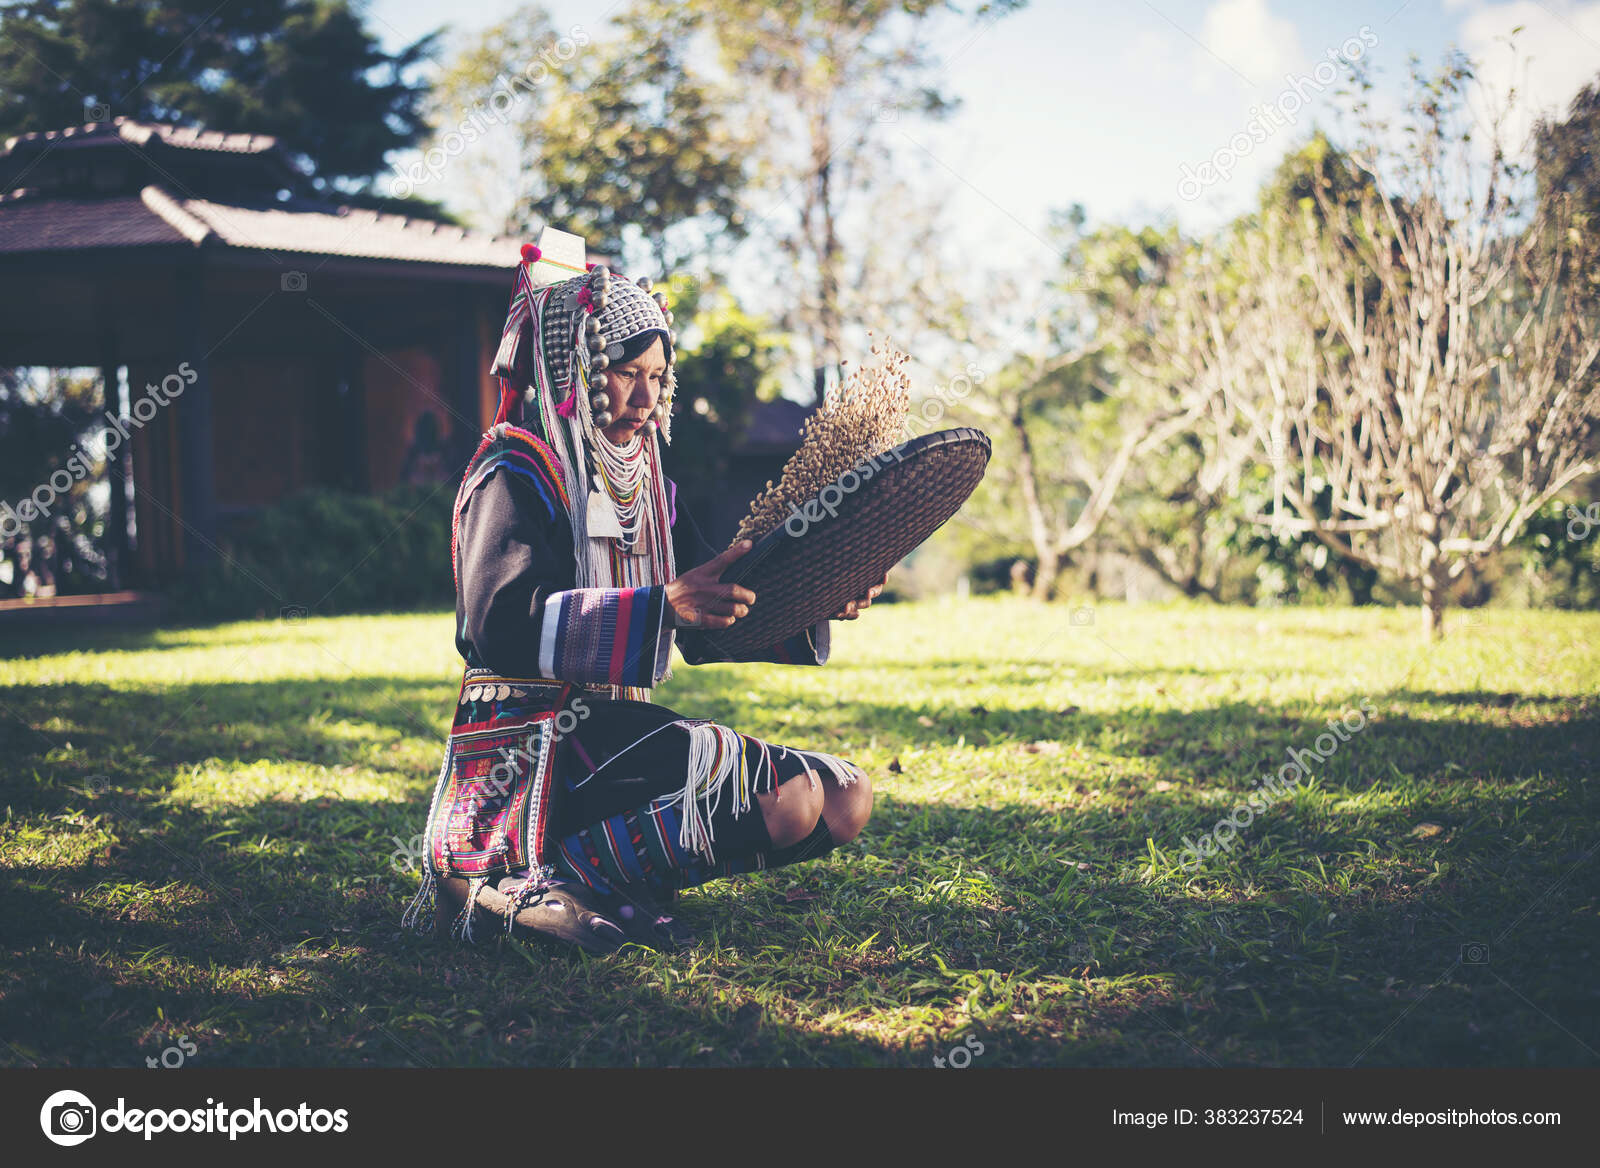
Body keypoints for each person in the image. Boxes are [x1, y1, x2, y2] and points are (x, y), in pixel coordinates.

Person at [403, 246, 883, 955]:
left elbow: (706, 610)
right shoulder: (512, 468)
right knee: (789, 799)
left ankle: (595, 883)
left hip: (614, 733)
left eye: (657, 377)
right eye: (626, 373)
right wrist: (662, 606)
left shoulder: (648, 483)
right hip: (535, 748)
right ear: (577, 373)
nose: (644, 397)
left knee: (844, 801)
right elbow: (499, 625)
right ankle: (528, 874)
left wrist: (817, 597)